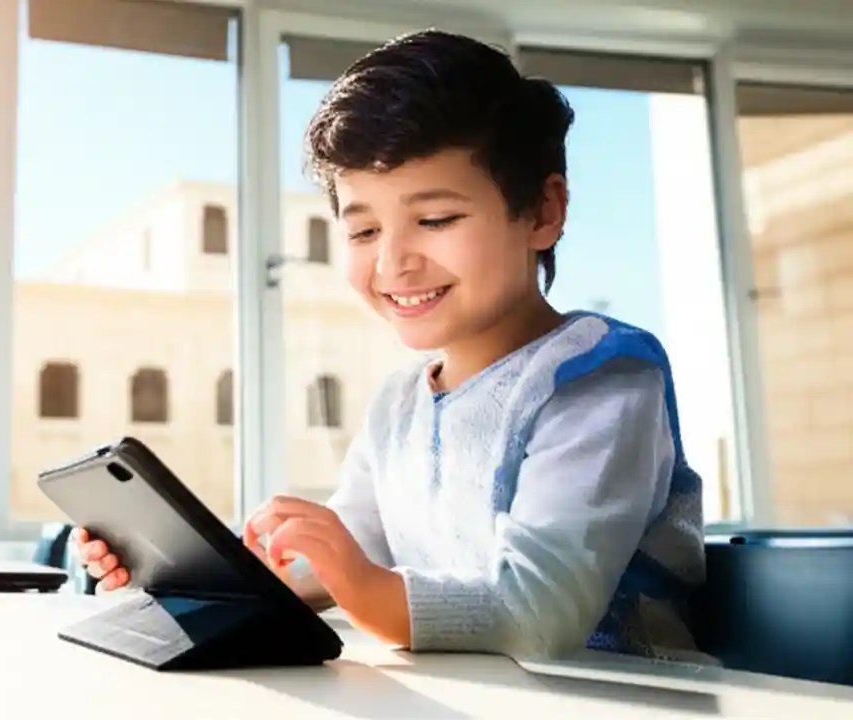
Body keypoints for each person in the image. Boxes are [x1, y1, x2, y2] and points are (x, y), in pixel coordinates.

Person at [74, 29, 705, 661]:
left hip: (625, 698)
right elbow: (334, 566)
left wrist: (359, 581)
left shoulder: (601, 375)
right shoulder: (399, 402)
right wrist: (175, 581)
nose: (394, 262)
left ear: (542, 211)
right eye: (365, 230)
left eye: (435, 220)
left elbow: (538, 616)